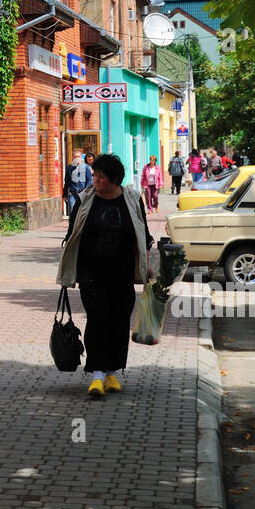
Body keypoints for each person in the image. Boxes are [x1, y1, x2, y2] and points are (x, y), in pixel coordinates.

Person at [57, 153, 152, 400]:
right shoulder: (85, 200)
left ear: (114, 179)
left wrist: (148, 265)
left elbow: (144, 235)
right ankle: (97, 374)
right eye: (95, 175)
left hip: (122, 275)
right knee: (98, 320)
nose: (96, 180)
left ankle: (113, 371)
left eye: (101, 176)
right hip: (92, 274)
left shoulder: (131, 199)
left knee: (120, 321)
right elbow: (72, 235)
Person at [62, 150, 93, 215]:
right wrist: (64, 194)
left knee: (82, 211)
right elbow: (67, 181)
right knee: (72, 210)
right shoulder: (69, 168)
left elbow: (89, 180)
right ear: (73, 158)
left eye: (78, 156)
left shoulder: (86, 167)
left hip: (82, 193)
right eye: (75, 157)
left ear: (81, 157)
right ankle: (72, 224)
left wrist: (86, 190)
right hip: (72, 193)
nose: (77, 158)